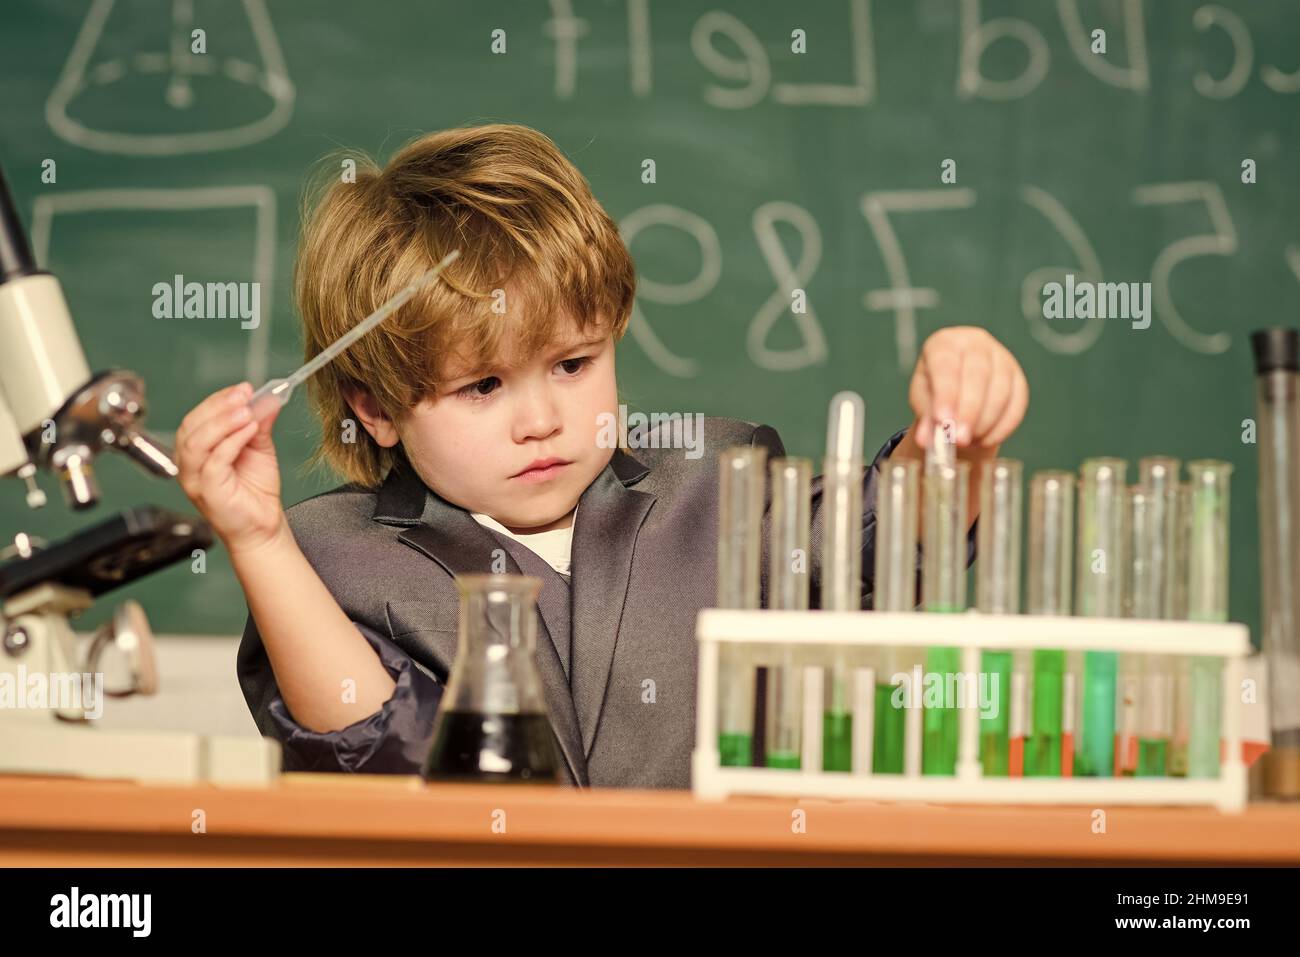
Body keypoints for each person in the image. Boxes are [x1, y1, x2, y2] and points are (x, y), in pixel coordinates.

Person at [174, 123, 1028, 786]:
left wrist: (956, 437)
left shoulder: (721, 481)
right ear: (377, 406)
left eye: (573, 364)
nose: (541, 419)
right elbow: (374, 756)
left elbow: (879, 548)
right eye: (482, 387)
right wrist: (257, 544)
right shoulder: (331, 561)